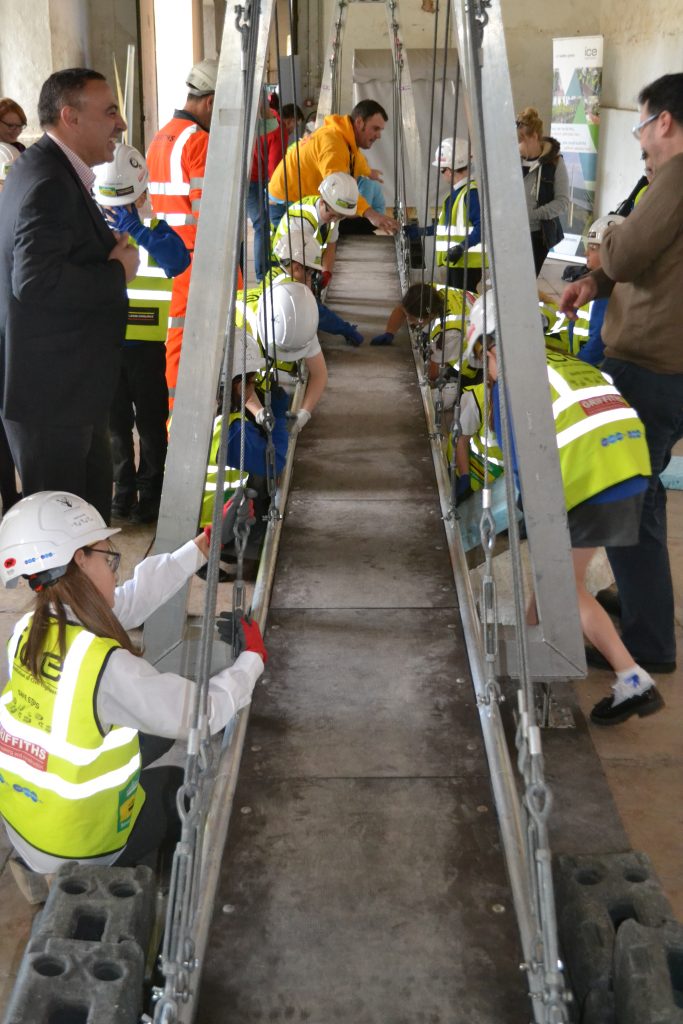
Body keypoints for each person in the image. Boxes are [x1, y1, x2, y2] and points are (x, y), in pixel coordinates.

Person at [0, 490, 267, 879]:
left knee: (151, 735)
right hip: (78, 849)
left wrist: (204, 545)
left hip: (26, 822)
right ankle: (142, 891)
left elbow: (131, 600)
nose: (116, 569)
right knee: (176, 787)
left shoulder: (28, 629)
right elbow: (201, 713)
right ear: (80, 559)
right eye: (110, 558)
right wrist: (252, 660)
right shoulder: (107, 668)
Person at [461, 292, 662, 726]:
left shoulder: (513, 387)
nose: (488, 374)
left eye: (485, 361)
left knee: (564, 589)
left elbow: (522, 471)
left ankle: (632, 679)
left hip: (593, 478)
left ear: (493, 347)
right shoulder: (568, 363)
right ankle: (534, 667)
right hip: (629, 472)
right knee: (554, 579)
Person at [560, 72, 683, 678]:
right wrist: (593, 282)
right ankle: (641, 611)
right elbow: (637, 258)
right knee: (637, 494)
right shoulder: (663, 179)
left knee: (631, 498)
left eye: (641, 123)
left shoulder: (679, 175)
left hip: (654, 364)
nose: (640, 138)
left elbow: (629, 249)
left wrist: (605, 241)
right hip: (650, 358)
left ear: (664, 121)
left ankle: (647, 636)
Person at [0, 68, 138, 524]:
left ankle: (82, 597)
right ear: (70, 117)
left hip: (64, 389)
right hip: (52, 396)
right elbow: (35, 282)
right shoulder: (48, 183)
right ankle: (65, 599)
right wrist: (116, 271)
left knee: (83, 524)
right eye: (110, 112)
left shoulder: (45, 167)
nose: (119, 124)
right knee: (63, 534)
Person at [93, 144, 191, 524]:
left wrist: (137, 230)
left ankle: (152, 492)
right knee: (116, 426)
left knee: (151, 424)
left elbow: (177, 261)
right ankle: (123, 491)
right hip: (106, 346)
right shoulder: (93, 234)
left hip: (147, 349)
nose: (117, 213)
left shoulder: (154, 232)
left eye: (127, 205)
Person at [147, 59, 242, 412]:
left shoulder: (163, 135)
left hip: (169, 255)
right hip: (196, 261)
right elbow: (210, 218)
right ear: (210, 100)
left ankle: (177, 419)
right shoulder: (200, 141)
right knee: (197, 341)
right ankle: (191, 420)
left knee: (175, 340)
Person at [267, 99, 398, 234]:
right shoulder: (334, 144)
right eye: (375, 128)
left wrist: (368, 172)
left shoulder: (345, 139)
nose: (379, 136)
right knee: (306, 251)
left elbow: (356, 159)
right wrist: (371, 214)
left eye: (380, 130)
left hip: (298, 200)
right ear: (359, 122)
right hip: (285, 203)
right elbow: (338, 189)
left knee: (327, 239)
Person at [236, 277, 328, 435]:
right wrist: (258, 412)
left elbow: (320, 374)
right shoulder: (241, 331)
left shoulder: (299, 322)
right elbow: (237, 383)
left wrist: (304, 414)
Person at [406, 137, 485, 292]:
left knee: (462, 304)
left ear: (449, 171)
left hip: (466, 263)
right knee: (454, 300)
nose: (442, 175)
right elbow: (446, 228)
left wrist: (461, 247)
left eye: (442, 170)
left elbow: (483, 228)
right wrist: (418, 231)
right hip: (456, 261)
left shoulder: (471, 194)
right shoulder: (456, 195)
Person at [271, 231, 364, 346]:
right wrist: (345, 329)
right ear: (297, 268)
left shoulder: (275, 274)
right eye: (310, 272)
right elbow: (317, 313)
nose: (310, 278)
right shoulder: (291, 290)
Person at [271, 172, 359, 286]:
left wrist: (326, 273)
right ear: (322, 202)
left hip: (303, 266)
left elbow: (331, 245)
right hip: (285, 267)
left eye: (341, 216)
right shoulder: (303, 221)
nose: (335, 220)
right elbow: (297, 267)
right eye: (333, 215)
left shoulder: (333, 212)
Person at [516, 106, 570, 276]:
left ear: (534, 137)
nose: (517, 146)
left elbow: (562, 203)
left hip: (538, 236)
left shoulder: (554, 163)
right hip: (511, 233)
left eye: (520, 140)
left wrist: (533, 215)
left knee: (526, 282)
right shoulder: (511, 161)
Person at [574, 215, 625, 367]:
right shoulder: (588, 284)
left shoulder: (610, 294)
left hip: (593, 372)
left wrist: (576, 364)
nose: (586, 253)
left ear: (613, 252)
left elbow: (599, 341)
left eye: (593, 248)